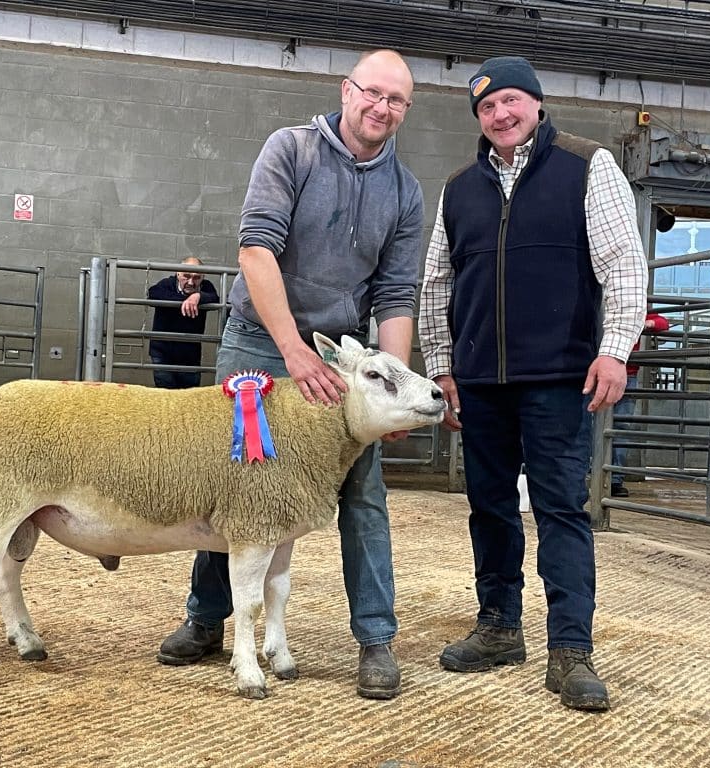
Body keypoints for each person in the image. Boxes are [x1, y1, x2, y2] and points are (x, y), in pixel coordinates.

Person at [156, 49, 424, 700]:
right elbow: (256, 250)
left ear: (404, 112)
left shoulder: (406, 192)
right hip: (260, 337)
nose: (380, 107)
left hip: (340, 354)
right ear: (347, 90)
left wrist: (397, 392)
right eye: (372, 93)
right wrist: (292, 349)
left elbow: (394, 297)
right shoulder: (291, 150)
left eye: (396, 100)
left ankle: (375, 639)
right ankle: (206, 618)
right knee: (235, 477)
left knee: (362, 491)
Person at [418, 56, 647, 712]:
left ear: (537, 104)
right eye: (487, 108)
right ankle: (498, 627)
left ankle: (571, 650)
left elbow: (623, 265)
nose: (501, 115)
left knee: (561, 511)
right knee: (488, 508)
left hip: (558, 377)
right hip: (481, 381)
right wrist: (443, 365)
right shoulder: (460, 187)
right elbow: (438, 283)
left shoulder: (587, 164)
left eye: (512, 101)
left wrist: (614, 351)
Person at [610, 311, 670, 497]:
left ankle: (613, 478)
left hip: (626, 371)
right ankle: (595, 474)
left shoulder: (634, 302)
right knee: (607, 426)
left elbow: (662, 323)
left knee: (620, 426)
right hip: (610, 369)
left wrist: (647, 323)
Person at [146, 258, 220, 389]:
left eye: (197, 277)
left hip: (189, 355)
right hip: (163, 352)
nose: (191, 282)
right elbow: (153, 293)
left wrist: (198, 296)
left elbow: (215, 298)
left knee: (189, 397)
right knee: (165, 395)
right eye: (186, 276)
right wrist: (188, 300)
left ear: (203, 277)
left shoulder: (206, 286)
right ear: (178, 273)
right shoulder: (167, 283)